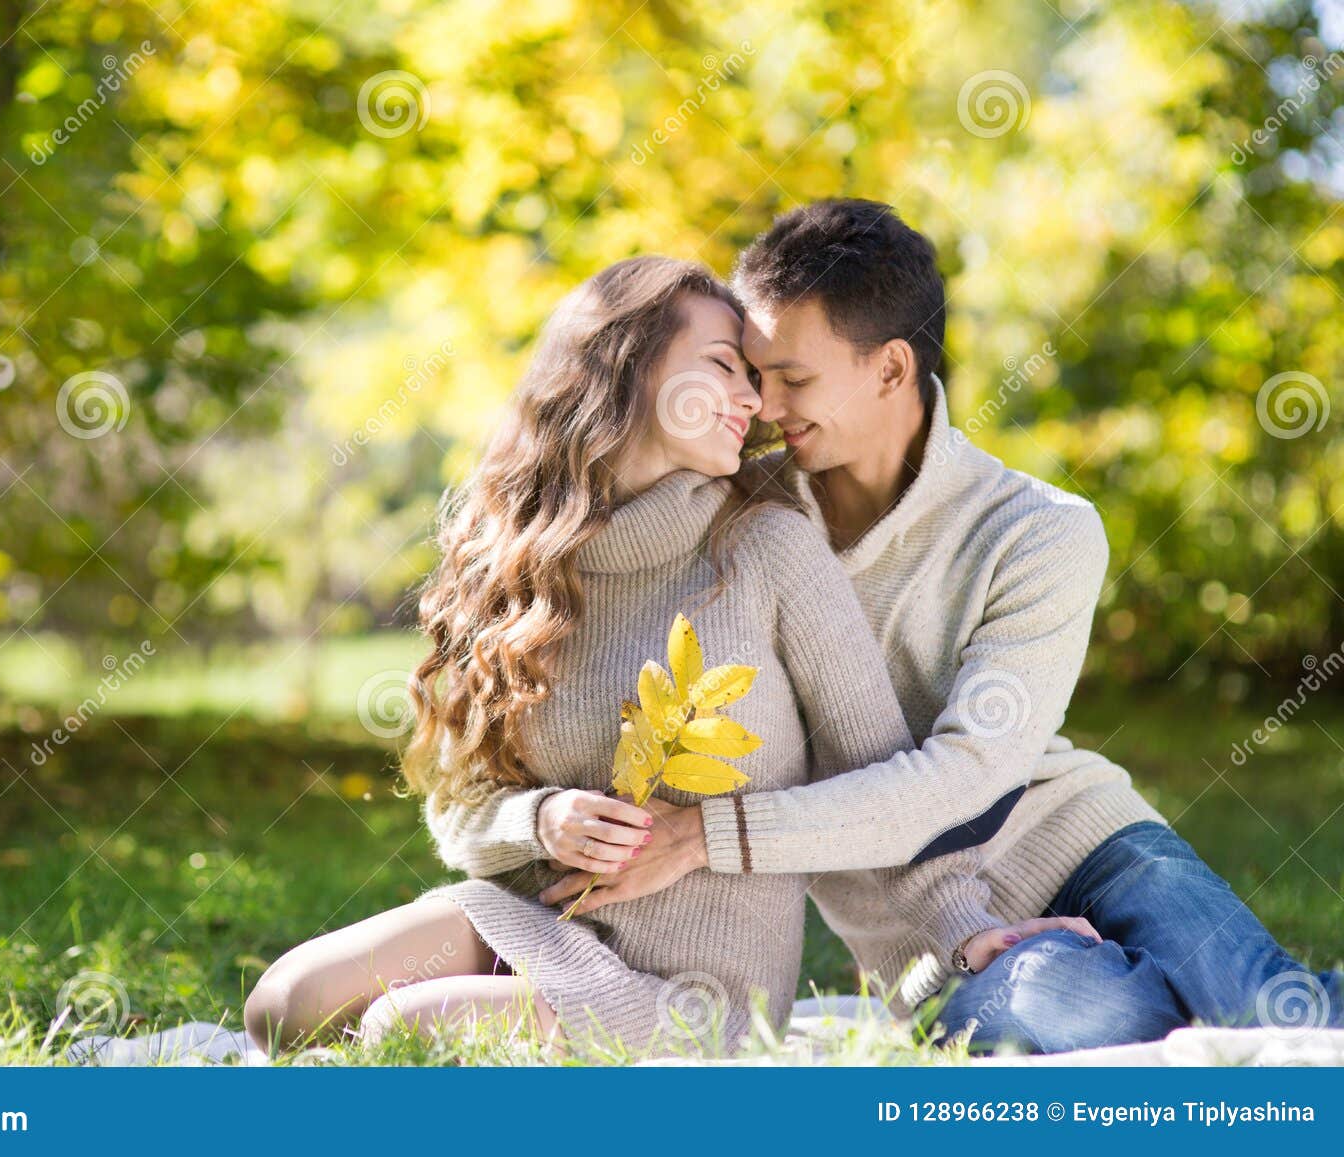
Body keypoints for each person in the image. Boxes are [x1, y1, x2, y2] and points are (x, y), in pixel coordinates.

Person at [529, 199, 1343, 1053]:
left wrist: (706, 837)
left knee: (1277, 1014)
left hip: (1090, 846)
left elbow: (966, 774)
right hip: (920, 929)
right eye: (753, 372)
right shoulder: (732, 513)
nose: (762, 405)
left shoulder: (1037, 529)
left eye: (793, 378)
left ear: (889, 369)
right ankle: (1104, 986)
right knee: (1106, 1022)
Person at [242, 255, 1035, 1058]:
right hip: (537, 920)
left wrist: (965, 934)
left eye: (754, 377)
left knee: (398, 1027)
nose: (755, 401)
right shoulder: (523, 563)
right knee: (281, 1003)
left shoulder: (768, 548)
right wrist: (540, 820)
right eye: (725, 366)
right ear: (627, 363)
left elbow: (880, 772)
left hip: (690, 989)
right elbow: (460, 809)